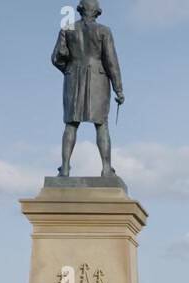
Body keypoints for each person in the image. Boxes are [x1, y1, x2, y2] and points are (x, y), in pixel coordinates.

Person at [52, 0, 125, 177]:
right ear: (97, 12)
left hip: (73, 78)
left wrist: (68, 70)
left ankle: (65, 167)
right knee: (101, 124)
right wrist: (118, 89)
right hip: (97, 79)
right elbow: (111, 62)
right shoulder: (103, 31)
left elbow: (56, 58)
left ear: (80, 10)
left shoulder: (67, 29)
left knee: (71, 124)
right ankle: (106, 168)